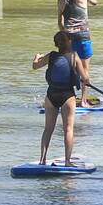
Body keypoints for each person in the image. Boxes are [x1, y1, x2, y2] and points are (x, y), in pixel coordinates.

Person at [31, 31, 84, 167]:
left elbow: (35, 66)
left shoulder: (51, 56)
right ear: (69, 42)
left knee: (48, 129)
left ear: (56, 44)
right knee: (68, 129)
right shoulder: (74, 57)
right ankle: (67, 162)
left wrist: (36, 58)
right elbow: (86, 78)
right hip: (67, 96)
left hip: (51, 95)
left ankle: (42, 160)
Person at [56, 0, 98, 107]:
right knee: (85, 69)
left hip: (68, 36)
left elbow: (60, 21)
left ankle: (68, 97)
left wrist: (64, 34)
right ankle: (84, 101)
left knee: (70, 68)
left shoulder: (61, 0)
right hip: (83, 35)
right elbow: (95, 2)